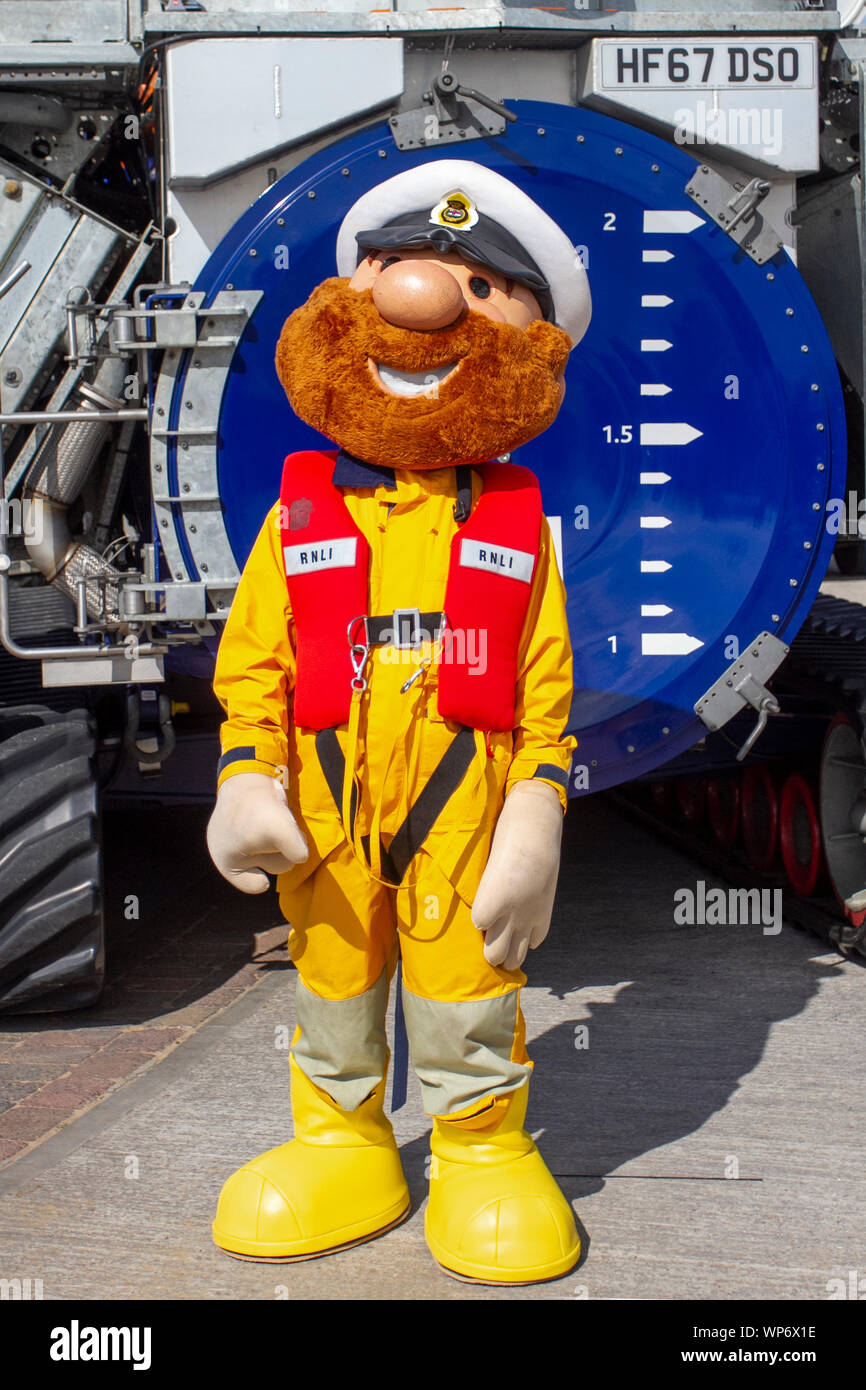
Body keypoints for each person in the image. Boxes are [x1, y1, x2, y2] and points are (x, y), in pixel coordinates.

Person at [206, 159, 591, 1284]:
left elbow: (543, 685)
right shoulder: (303, 514)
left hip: (460, 803)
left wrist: (535, 810)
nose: (419, 300)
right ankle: (343, 1138)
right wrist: (243, 778)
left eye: (478, 288)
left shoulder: (514, 529)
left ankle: (479, 1148)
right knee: (332, 976)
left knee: (465, 980)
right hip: (322, 808)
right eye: (392, 269)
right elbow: (257, 665)